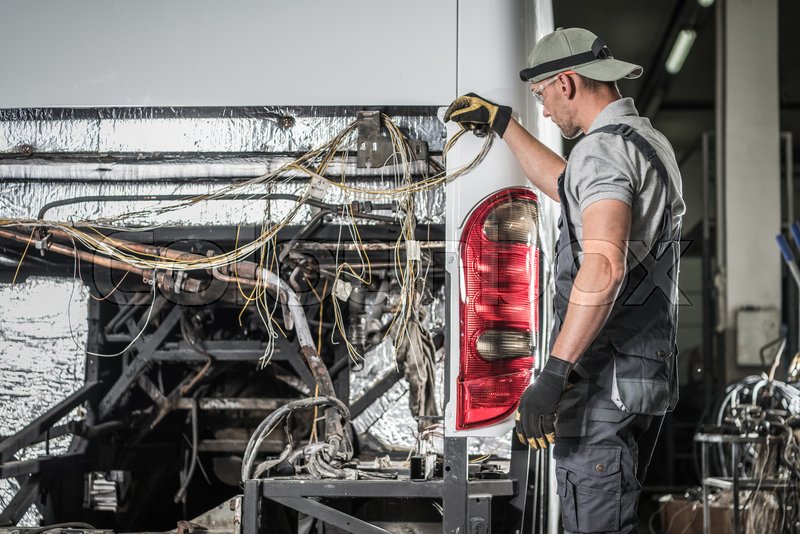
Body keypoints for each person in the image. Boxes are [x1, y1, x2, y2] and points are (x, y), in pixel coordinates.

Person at [445, 28, 685, 534]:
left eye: (542, 98)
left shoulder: (603, 152)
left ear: (567, 82)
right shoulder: (644, 143)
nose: (547, 112)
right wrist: (504, 125)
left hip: (602, 382)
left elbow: (603, 267)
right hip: (639, 377)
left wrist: (554, 373)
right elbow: (564, 183)